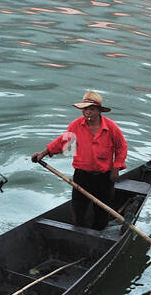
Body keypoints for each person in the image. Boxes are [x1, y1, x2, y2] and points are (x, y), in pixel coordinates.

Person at [31, 90, 127, 229]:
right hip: (82, 176)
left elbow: (121, 148)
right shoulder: (76, 126)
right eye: (85, 109)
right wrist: (43, 153)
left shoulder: (111, 127)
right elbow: (63, 143)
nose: (88, 112)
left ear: (99, 111)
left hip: (104, 178)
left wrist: (116, 168)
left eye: (92, 109)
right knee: (78, 210)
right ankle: (79, 234)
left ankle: (98, 235)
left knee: (102, 212)